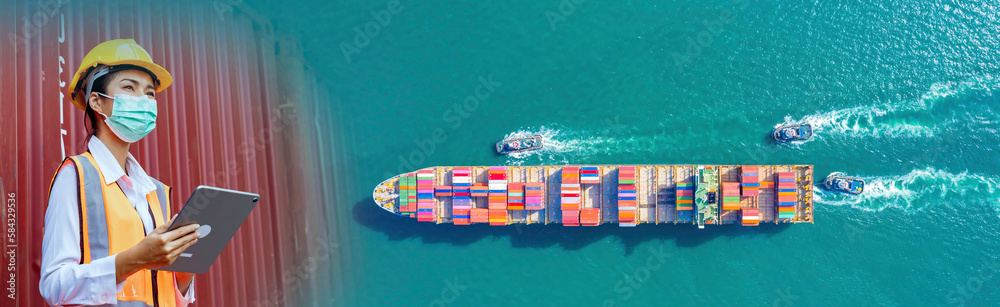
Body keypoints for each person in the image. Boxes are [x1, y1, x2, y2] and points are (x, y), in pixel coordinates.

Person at [40, 39, 199, 307]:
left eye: (149, 93)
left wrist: (183, 274)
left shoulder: (156, 191)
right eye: (129, 87)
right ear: (97, 102)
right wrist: (135, 259)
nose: (144, 99)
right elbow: (55, 286)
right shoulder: (76, 176)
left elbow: (164, 294)